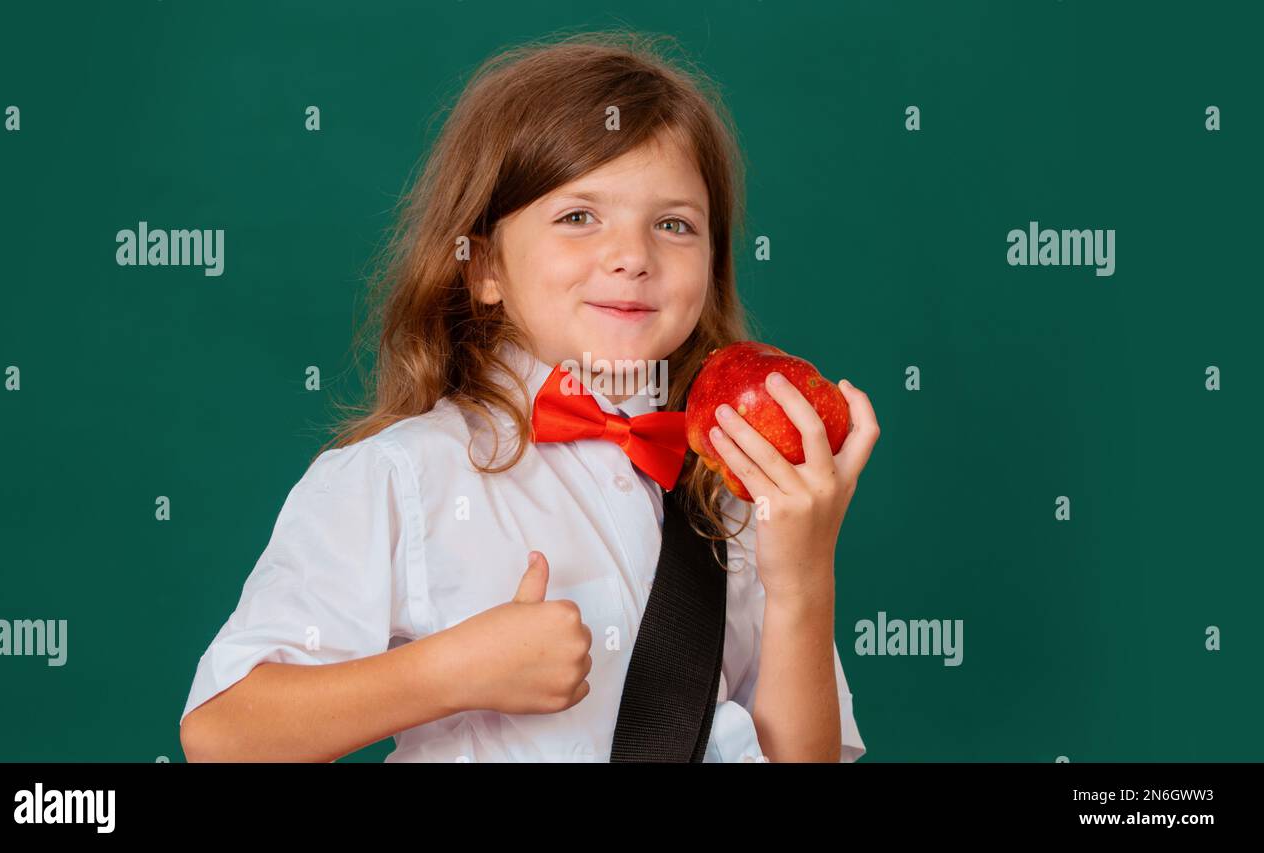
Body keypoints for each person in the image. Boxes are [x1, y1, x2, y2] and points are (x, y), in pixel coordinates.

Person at [179, 31, 878, 763]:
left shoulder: (730, 493)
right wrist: (449, 671)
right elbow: (223, 734)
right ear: (483, 267)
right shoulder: (400, 478)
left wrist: (801, 578)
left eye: (674, 224)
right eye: (579, 216)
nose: (632, 256)